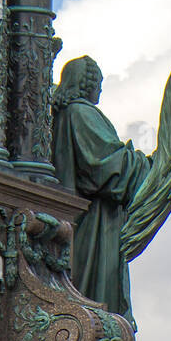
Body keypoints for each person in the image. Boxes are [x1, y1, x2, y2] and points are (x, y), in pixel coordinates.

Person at [51, 56, 151, 327]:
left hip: (80, 219)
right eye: (98, 83)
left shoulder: (68, 113)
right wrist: (147, 164)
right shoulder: (80, 113)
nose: (101, 89)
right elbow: (104, 166)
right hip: (93, 221)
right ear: (86, 83)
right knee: (95, 297)